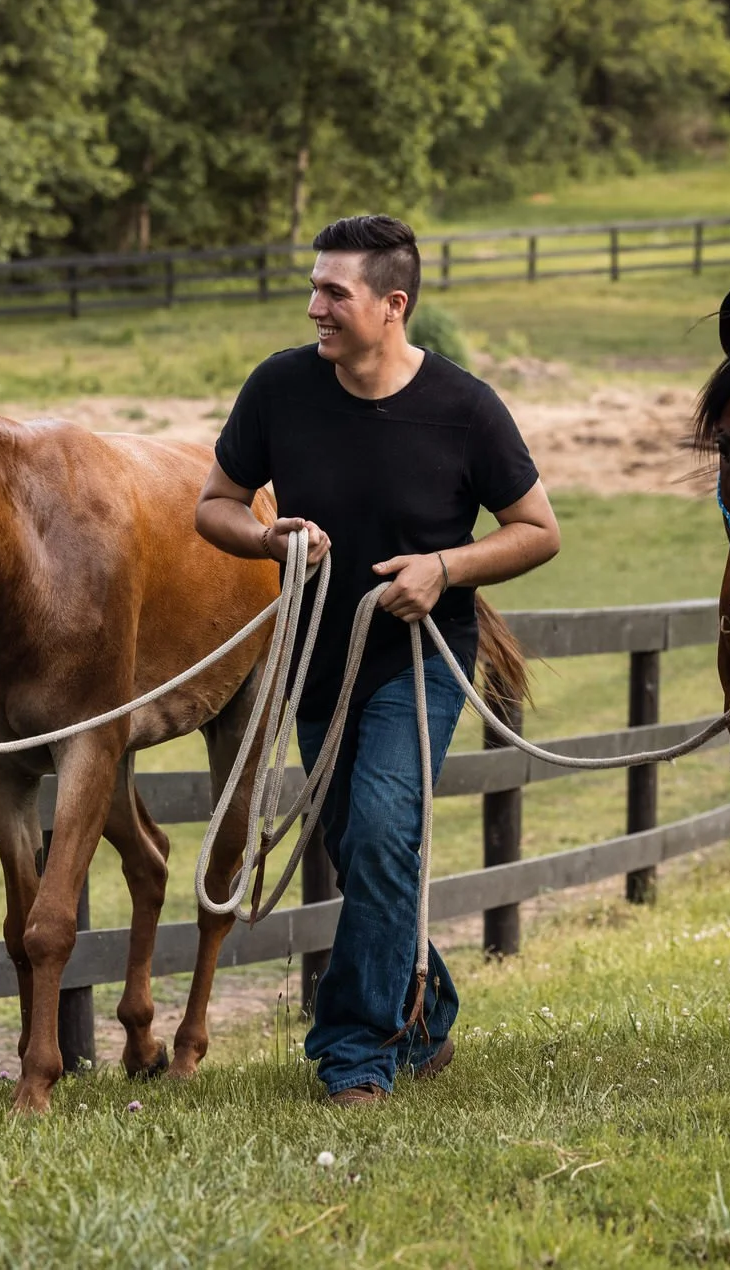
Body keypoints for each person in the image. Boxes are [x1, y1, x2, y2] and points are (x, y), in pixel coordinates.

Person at [194, 214, 560, 1106]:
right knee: (362, 851)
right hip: (318, 661)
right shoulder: (279, 388)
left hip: (419, 659)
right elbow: (214, 505)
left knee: (385, 831)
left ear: (393, 305)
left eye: (334, 292)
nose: (314, 307)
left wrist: (445, 569)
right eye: (313, 287)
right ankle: (426, 1011)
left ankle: (354, 1053)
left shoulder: (465, 408)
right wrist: (267, 536)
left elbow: (538, 530)